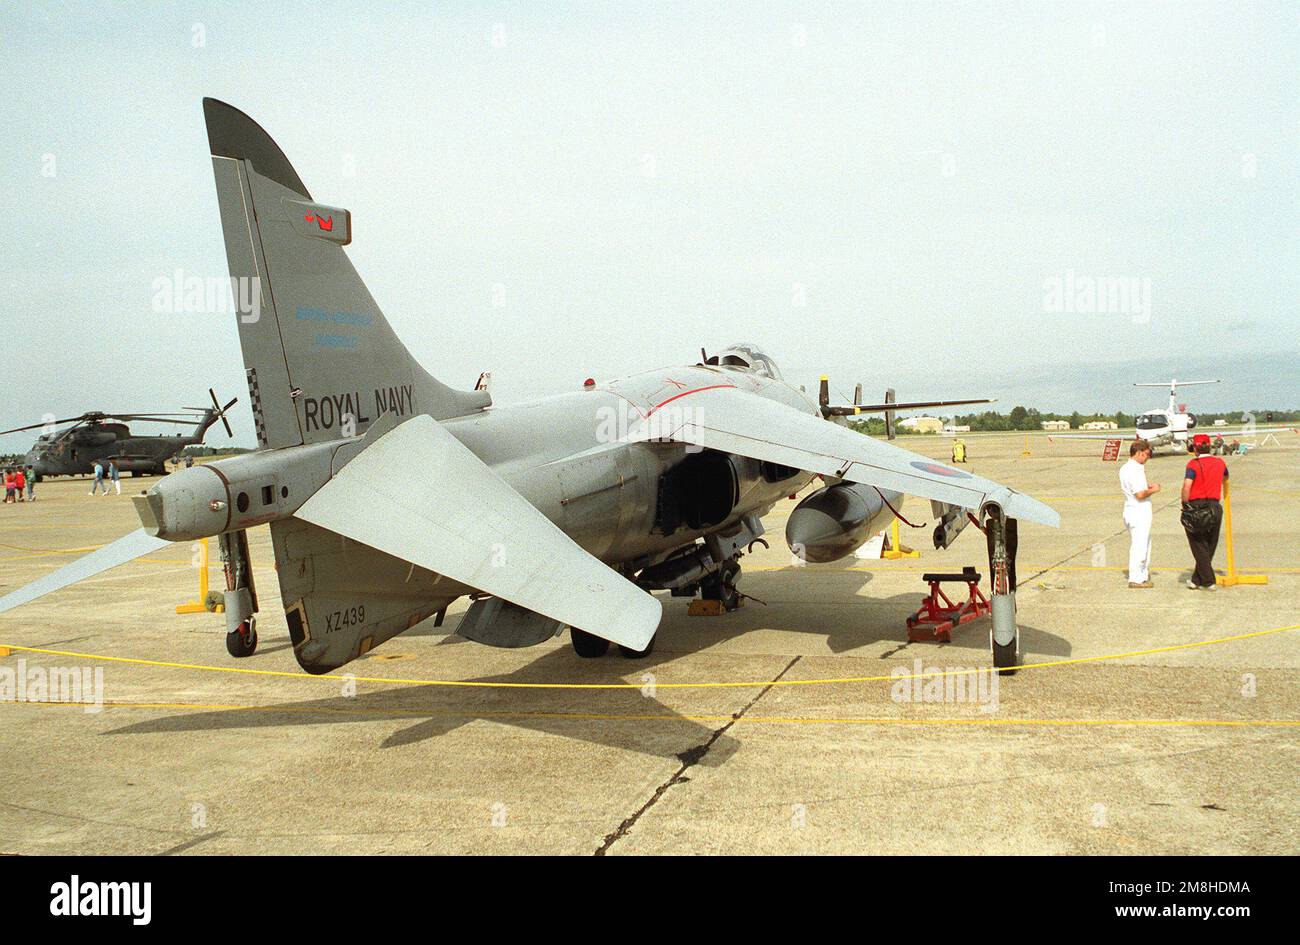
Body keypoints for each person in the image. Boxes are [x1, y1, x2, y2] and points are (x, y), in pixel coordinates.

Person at [1182, 432, 1228, 590]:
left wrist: (1184, 504)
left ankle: (1208, 581)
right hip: (1215, 507)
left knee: (1197, 544)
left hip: (1197, 506)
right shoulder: (1220, 462)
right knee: (1210, 543)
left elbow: (1187, 485)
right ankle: (1196, 580)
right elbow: (1226, 477)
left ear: (1196, 448)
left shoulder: (1192, 465)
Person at [1119, 440, 1159, 588]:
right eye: (1146, 454)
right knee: (1139, 546)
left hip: (1134, 510)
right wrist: (1154, 489)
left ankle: (1142, 575)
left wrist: (1147, 487)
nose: (1147, 458)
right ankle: (1136, 578)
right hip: (1138, 511)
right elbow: (1140, 494)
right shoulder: (1133, 470)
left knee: (1144, 544)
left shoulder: (1128, 467)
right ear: (1139, 453)